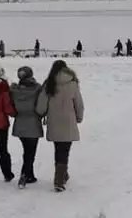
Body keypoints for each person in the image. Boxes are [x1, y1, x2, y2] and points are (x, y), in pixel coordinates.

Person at [36, 60, 84, 192]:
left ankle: (62, 174)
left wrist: (41, 114)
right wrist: (79, 117)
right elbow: (79, 103)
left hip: (54, 122)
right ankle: (59, 179)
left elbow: (41, 107)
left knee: (58, 149)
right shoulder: (73, 83)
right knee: (65, 150)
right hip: (69, 122)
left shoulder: (49, 84)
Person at [10, 66, 43, 188]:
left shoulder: (14, 90)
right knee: (30, 152)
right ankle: (24, 175)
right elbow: (41, 105)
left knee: (26, 150)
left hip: (20, 123)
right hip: (33, 123)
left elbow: (12, 105)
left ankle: (30, 175)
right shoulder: (37, 89)